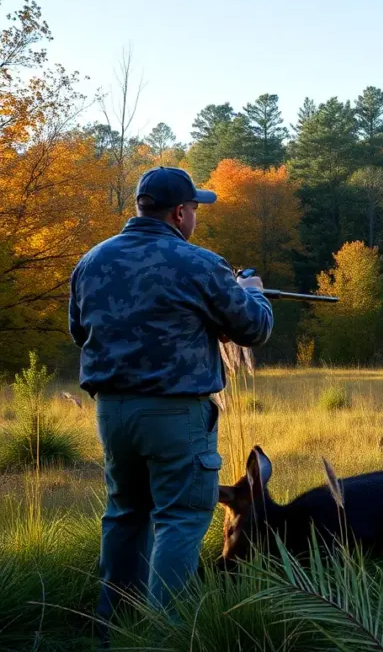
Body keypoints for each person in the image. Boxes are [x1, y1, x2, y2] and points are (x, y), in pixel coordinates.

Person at [68, 166, 273, 639]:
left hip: (113, 411)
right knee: (180, 518)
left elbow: (82, 332)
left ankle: (113, 628)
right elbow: (254, 329)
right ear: (180, 213)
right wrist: (254, 293)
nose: (194, 218)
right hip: (176, 413)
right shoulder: (199, 263)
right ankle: (166, 633)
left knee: (125, 512)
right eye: (194, 209)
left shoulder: (92, 261)